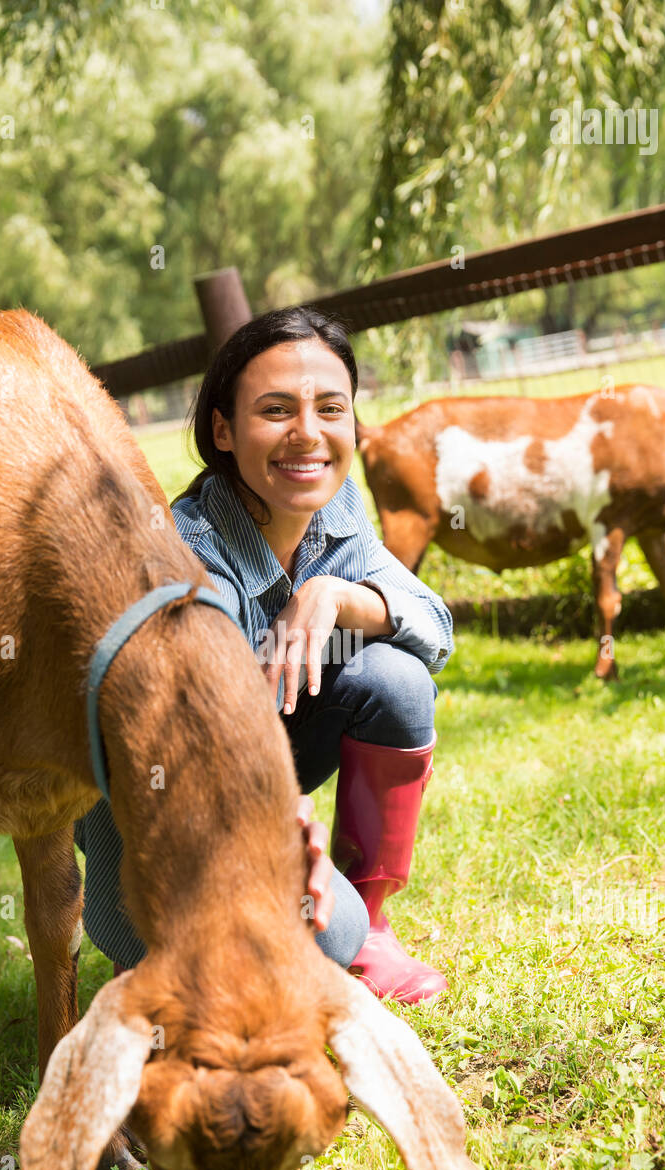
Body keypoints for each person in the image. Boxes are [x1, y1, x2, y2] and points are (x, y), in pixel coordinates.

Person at [75, 307, 453, 1004]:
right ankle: (151, 940)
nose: (307, 433)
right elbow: (181, 733)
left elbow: (434, 628)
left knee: (396, 680)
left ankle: (370, 926)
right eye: (274, 411)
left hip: (268, 752)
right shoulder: (183, 550)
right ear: (223, 430)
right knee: (311, 946)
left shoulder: (338, 515)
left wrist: (336, 597)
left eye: (330, 408)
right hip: (166, 785)